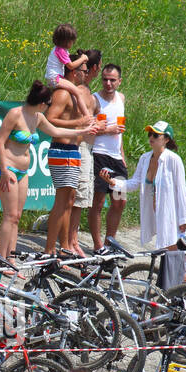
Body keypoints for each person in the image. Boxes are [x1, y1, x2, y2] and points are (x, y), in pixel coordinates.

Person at [0, 81, 96, 261]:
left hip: (23, 171)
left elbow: (56, 130)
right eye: (48, 104)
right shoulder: (15, 114)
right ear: (41, 103)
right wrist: (3, 169)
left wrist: (85, 129)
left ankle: (11, 259)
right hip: (8, 168)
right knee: (9, 216)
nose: (48, 107)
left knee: (17, 216)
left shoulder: (38, 118)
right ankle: (0, 261)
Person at [100, 120, 186, 286]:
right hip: (154, 213)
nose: (151, 138)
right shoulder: (145, 158)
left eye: (156, 135)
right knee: (167, 254)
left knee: (174, 255)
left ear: (166, 139)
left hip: (171, 214)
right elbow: (134, 183)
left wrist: (184, 218)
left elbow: (181, 189)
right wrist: (113, 182)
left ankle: (185, 296)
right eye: (150, 134)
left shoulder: (173, 160)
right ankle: (170, 291)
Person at [42, 60, 97, 256]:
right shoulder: (62, 93)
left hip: (72, 150)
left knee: (68, 202)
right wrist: (79, 122)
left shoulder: (74, 93)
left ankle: (64, 246)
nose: (86, 74)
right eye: (83, 70)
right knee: (61, 201)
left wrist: (87, 126)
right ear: (73, 72)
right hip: (61, 149)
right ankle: (50, 249)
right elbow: (49, 118)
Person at [88, 64, 129, 252]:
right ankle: (98, 246)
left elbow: (119, 132)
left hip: (115, 156)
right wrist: (107, 129)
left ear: (119, 81)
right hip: (99, 154)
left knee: (120, 201)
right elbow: (87, 130)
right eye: (105, 79)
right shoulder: (94, 100)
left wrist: (122, 154)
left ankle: (109, 242)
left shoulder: (121, 98)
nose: (108, 83)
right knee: (98, 201)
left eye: (112, 80)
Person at [66, 49, 102, 255]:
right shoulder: (78, 89)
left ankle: (74, 239)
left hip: (89, 147)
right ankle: (70, 242)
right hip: (78, 146)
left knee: (81, 199)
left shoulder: (88, 90)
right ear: (94, 68)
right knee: (75, 198)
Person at [44, 23, 88, 104]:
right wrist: (82, 59)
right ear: (67, 41)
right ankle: (86, 115)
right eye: (72, 41)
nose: (73, 43)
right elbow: (71, 66)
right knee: (78, 92)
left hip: (53, 78)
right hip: (55, 79)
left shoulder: (59, 50)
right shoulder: (61, 51)